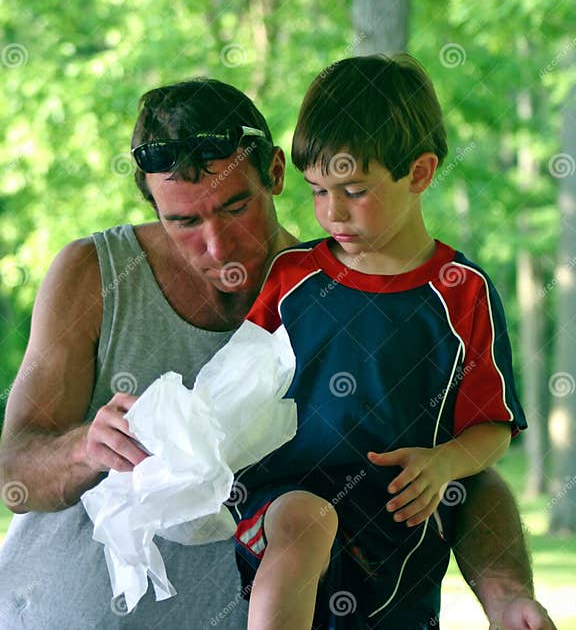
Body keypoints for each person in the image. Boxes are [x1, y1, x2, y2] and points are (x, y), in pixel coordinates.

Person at [0, 78, 555, 630]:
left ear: (276, 173)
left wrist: (508, 597)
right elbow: (13, 477)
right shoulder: (93, 272)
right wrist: (86, 451)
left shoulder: (337, 291)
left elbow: (464, 467)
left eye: (235, 206)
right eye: (184, 222)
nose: (217, 245)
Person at [228, 54, 525, 627]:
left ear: (419, 173)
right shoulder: (292, 277)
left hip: (400, 527)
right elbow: (233, 390)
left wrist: (443, 464)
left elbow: (493, 426)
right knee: (306, 520)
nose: (331, 211)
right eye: (317, 190)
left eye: (354, 189)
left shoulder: (462, 292)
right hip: (284, 503)